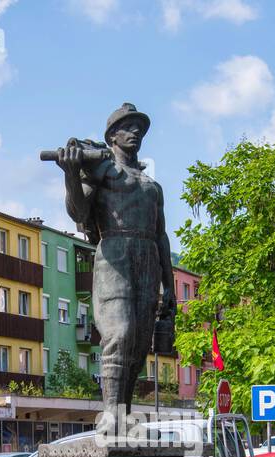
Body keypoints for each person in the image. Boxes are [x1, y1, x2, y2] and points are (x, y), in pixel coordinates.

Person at [55, 104, 176, 421]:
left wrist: (170, 285)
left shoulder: (152, 185)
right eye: (128, 127)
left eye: (139, 128)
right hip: (115, 256)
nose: (135, 132)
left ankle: (123, 415)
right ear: (112, 136)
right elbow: (79, 213)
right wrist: (71, 175)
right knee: (119, 334)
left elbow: (161, 236)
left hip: (147, 258)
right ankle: (110, 416)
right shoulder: (98, 172)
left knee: (137, 347)